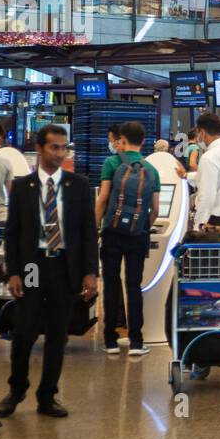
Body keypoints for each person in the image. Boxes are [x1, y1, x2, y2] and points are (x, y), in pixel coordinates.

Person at [0, 125, 98, 418]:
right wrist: (14, 272)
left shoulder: (78, 185)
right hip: (32, 265)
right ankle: (16, 390)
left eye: (63, 148)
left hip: (64, 266)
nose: (59, 153)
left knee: (58, 334)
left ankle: (47, 396)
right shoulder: (22, 187)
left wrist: (91, 272)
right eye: (54, 147)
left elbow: (88, 232)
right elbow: (13, 232)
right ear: (40, 149)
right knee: (24, 331)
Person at [96, 120, 160, 356]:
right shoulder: (150, 169)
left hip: (111, 233)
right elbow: (155, 209)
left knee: (111, 284)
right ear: (143, 141)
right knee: (134, 286)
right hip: (137, 235)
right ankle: (135, 341)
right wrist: (143, 226)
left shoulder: (111, 163)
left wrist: (96, 228)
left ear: (121, 140)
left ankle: (111, 340)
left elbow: (103, 199)